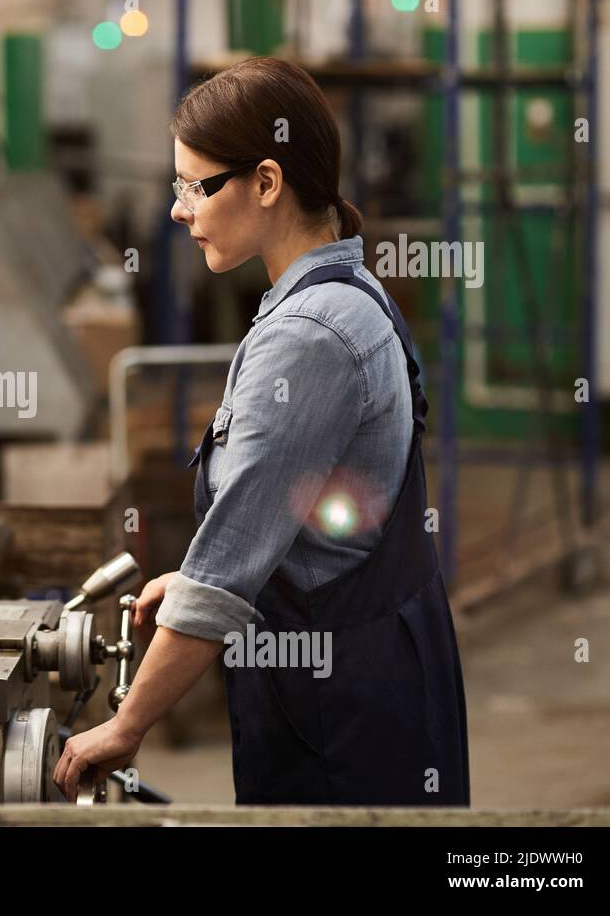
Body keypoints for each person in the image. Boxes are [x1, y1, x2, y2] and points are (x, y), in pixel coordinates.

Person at [54, 57, 469, 806]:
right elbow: (311, 509)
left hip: (338, 715)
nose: (180, 209)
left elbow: (222, 581)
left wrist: (124, 726)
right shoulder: (348, 291)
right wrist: (220, 570)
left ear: (268, 182)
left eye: (195, 185)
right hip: (378, 673)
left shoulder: (309, 336)